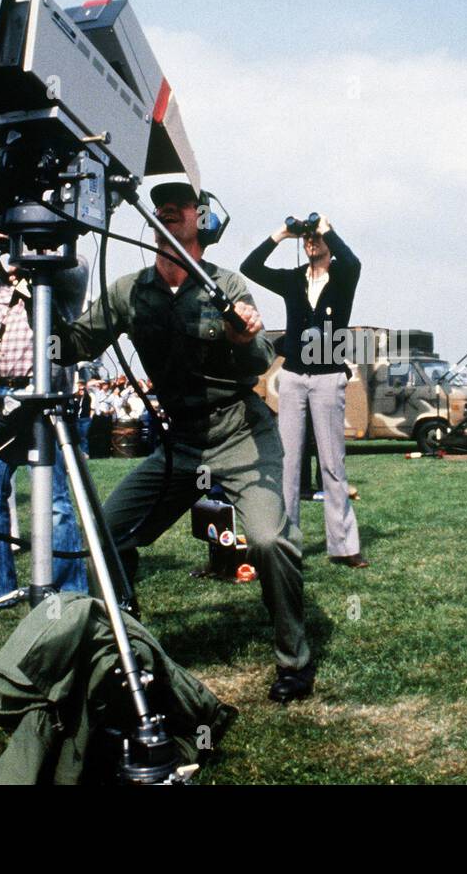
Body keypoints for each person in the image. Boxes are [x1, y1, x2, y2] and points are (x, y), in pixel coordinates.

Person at [54, 180, 314, 703]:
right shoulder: (128, 290)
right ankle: (126, 645)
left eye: (180, 207)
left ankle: (295, 660)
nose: (168, 212)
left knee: (268, 541)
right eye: (159, 208)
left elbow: (260, 361)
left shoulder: (227, 284)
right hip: (181, 440)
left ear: (201, 220)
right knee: (108, 536)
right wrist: (32, 298)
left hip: (240, 431)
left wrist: (243, 341)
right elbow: (74, 343)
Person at [0, 235, 89, 606]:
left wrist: (29, 257)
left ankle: (67, 593)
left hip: (42, 396)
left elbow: (70, 275)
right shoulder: (3, 278)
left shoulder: (71, 263)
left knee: (55, 503)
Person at [242, 214, 365, 567]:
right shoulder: (293, 280)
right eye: (307, 239)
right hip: (293, 376)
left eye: (316, 238)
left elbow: (354, 261)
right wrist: (282, 232)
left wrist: (325, 228)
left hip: (328, 376)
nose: (311, 242)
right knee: (288, 461)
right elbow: (250, 266)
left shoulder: (343, 275)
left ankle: (344, 546)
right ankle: (286, 542)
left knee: (332, 462)